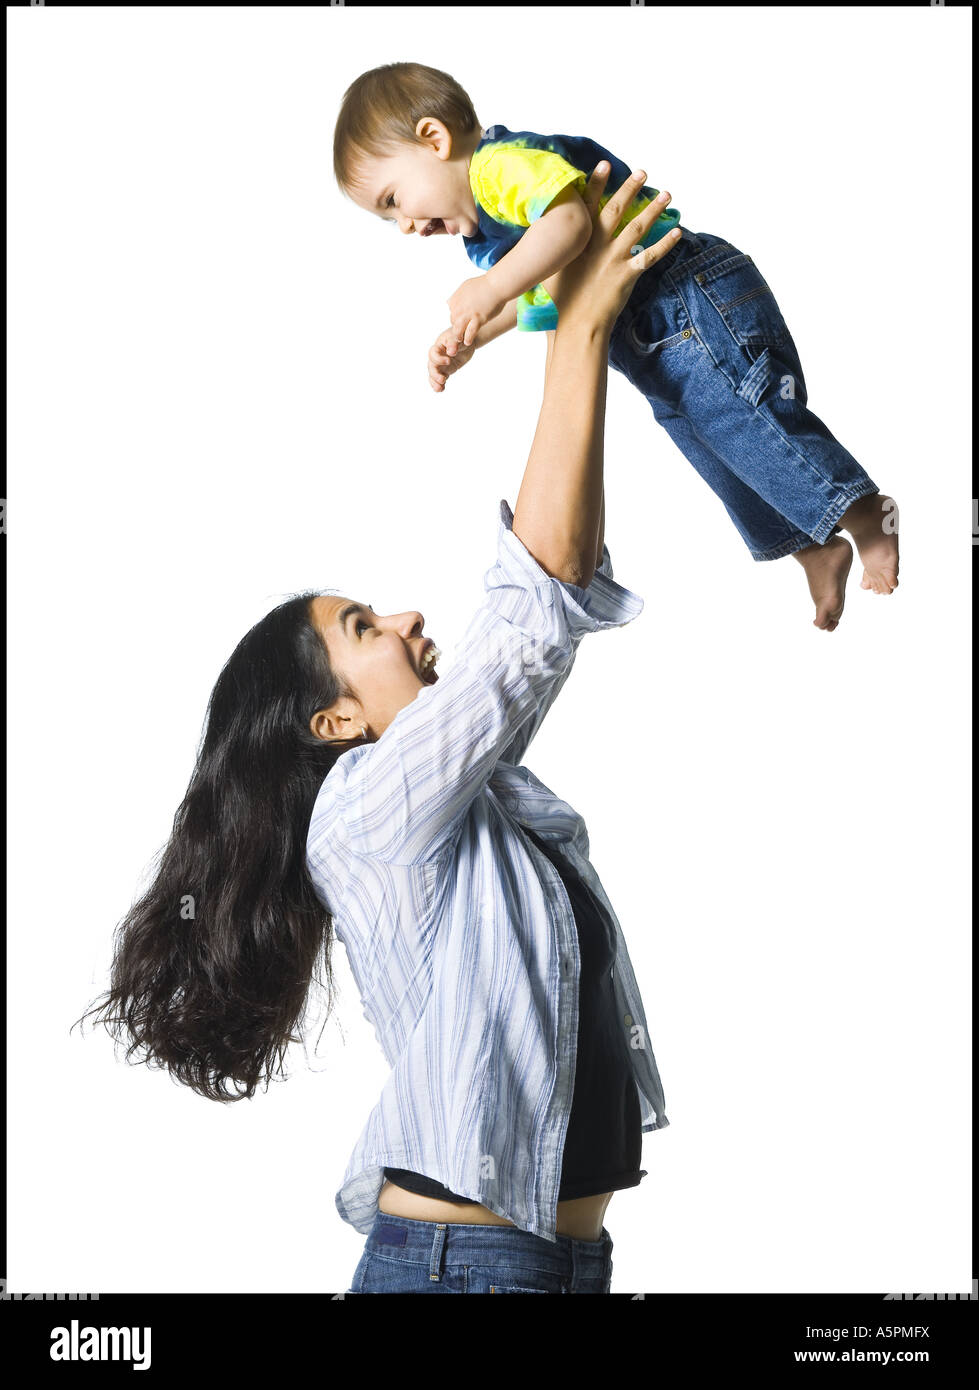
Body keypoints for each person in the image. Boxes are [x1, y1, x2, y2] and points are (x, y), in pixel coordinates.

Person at [75, 162, 674, 1297]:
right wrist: (577, 330)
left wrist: (571, 321)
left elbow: (547, 597)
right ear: (335, 716)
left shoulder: (463, 805)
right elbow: (527, 620)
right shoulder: (364, 809)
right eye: (363, 625)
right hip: (469, 1268)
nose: (403, 615)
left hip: (538, 1264)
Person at [333, 61, 900, 633]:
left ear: (433, 139)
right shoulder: (487, 229)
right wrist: (477, 332)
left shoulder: (499, 168)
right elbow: (543, 289)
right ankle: (811, 546)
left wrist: (490, 287)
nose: (404, 225)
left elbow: (570, 224)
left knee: (747, 422)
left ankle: (867, 515)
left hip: (687, 295)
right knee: (717, 450)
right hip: (651, 339)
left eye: (393, 199)